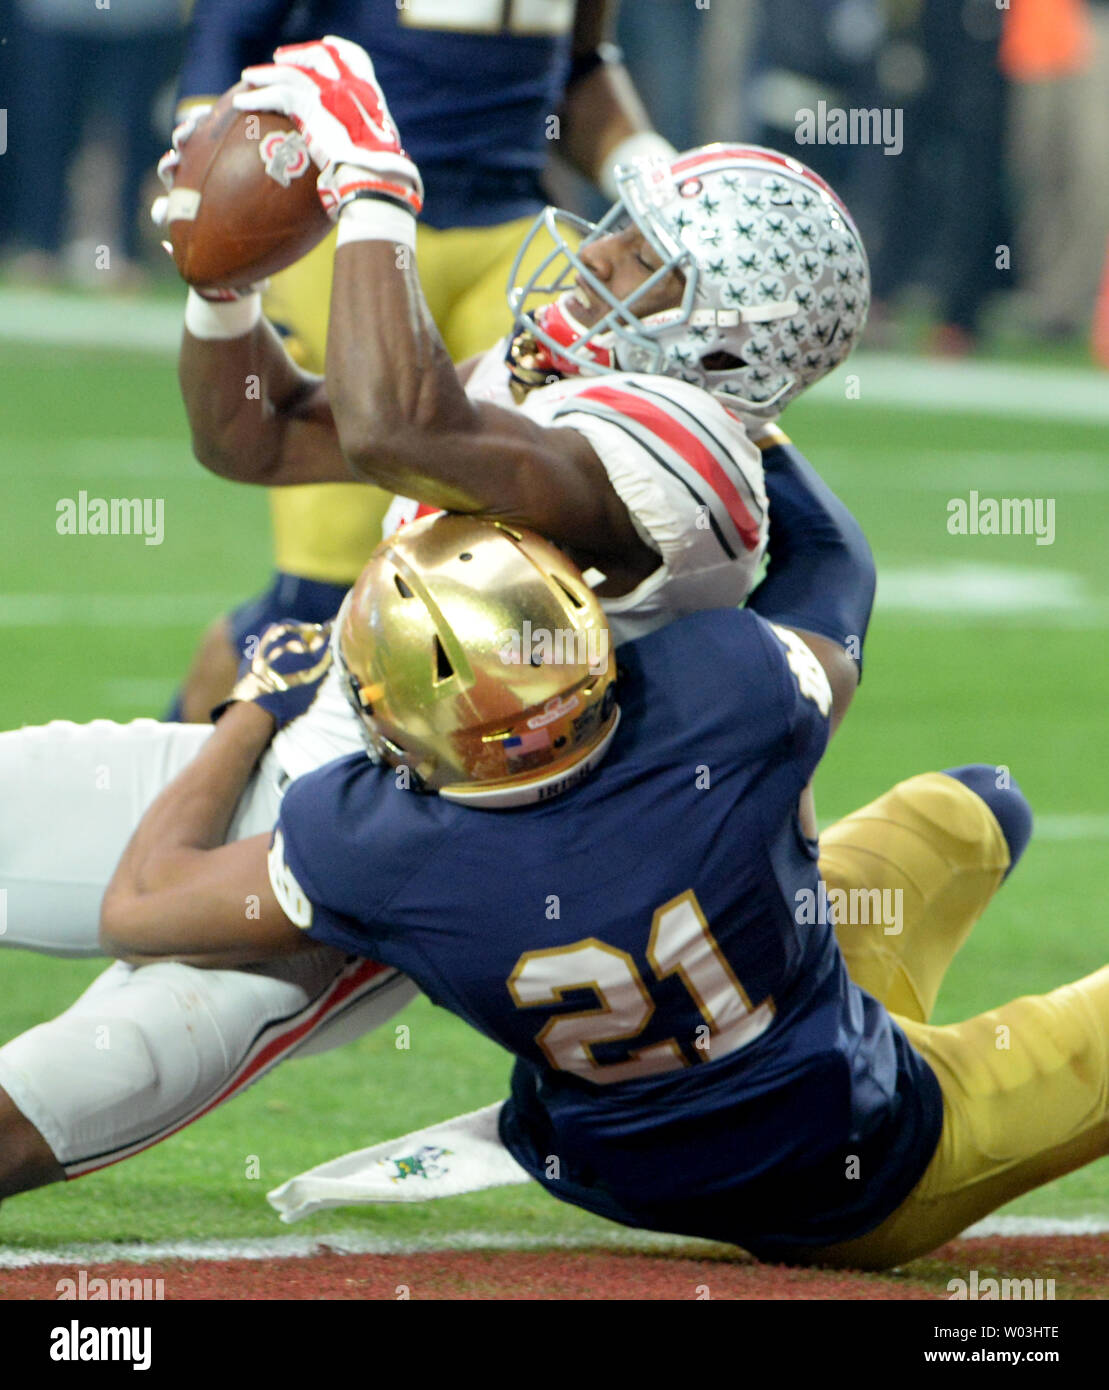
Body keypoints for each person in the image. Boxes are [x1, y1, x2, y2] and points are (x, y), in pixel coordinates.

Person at [0, 99, 871, 1191]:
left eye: (641, 255)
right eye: (618, 223)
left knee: (47, 1099)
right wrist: (225, 292)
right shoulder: (551, 381)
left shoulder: (689, 462)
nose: (594, 250)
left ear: (723, 337)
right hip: (286, 760)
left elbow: (397, 429)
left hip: (379, 860)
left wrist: (372, 186)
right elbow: (257, 435)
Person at [66, 506, 1089, 1274]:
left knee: (972, 811)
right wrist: (752, 435)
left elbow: (140, 903)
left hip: (620, 1167)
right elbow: (831, 563)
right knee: (980, 804)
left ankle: (844, 1029)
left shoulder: (367, 843)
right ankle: (852, 1051)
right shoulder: (718, 689)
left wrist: (253, 703)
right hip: (864, 1162)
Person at [168, 0, 677, 721]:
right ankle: (186, 771)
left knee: (519, 559)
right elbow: (233, 32)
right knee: (324, 581)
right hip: (341, 219)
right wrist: (211, 174)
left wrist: (645, 164)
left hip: (511, 234)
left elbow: (579, 64)